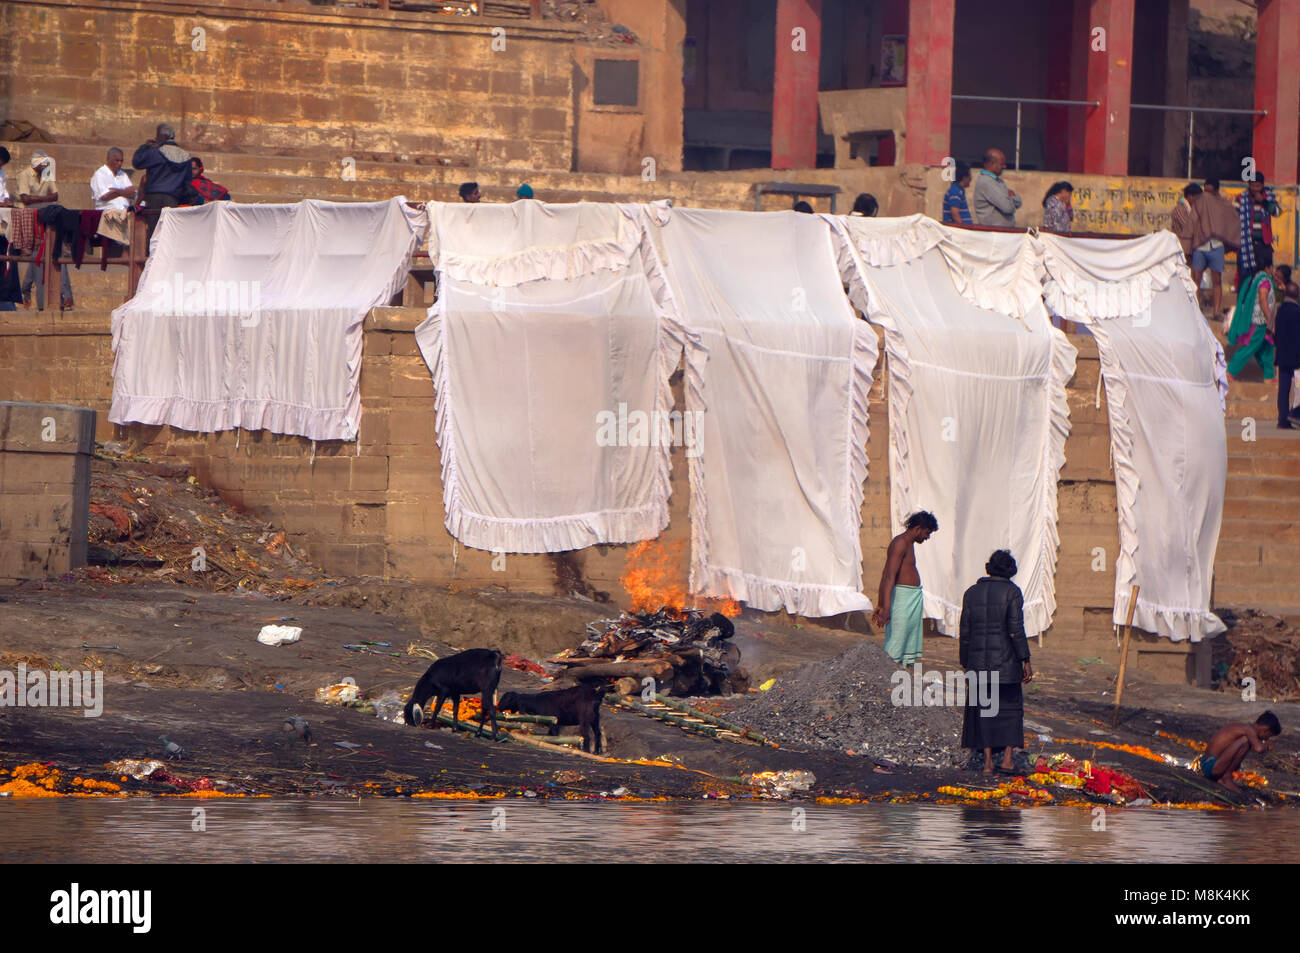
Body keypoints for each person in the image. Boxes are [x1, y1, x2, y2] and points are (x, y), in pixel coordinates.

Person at [959, 550, 1032, 774]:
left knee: (984, 710)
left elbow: (965, 632)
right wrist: (1025, 659)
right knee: (1010, 710)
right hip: (1007, 663)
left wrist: (965, 661)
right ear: (1010, 571)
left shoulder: (971, 593)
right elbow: (1015, 630)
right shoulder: (1012, 592)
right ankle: (1007, 759)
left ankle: (988, 762)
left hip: (978, 662)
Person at [872, 511, 937, 667]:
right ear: (918, 529)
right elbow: (888, 576)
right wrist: (885, 607)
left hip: (911, 599)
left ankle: (901, 680)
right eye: (927, 533)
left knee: (906, 643)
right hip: (902, 600)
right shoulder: (900, 543)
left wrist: (882, 603)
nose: (927, 537)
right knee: (896, 640)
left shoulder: (908, 543)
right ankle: (888, 678)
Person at [15, 150, 72, 311]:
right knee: (40, 256)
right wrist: (44, 200)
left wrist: (39, 200)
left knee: (43, 255)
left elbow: (55, 195)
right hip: (28, 212)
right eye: (42, 163)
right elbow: (25, 199)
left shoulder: (47, 173)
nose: (45, 165)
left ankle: (28, 291)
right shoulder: (24, 174)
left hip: (46, 213)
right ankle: (33, 292)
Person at [1197, 712, 1281, 793]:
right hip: (1210, 766)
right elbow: (1258, 748)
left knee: (1246, 743)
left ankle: (1225, 778)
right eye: (1268, 736)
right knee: (1245, 741)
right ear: (1265, 730)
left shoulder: (1246, 729)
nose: (1266, 739)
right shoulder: (1248, 730)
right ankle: (1226, 778)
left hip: (1211, 765)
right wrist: (1266, 745)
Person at [1226, 250, 1278, 380]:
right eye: (1272, 267)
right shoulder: (1265, 280)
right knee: (1250, 348)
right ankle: (1230, 371)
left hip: (1258, 320)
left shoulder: (1254, 277)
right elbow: (1263, 299)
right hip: (1260, 321)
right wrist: (1270, 320)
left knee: (1267, 348)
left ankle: (1269, 376)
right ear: (1267, 267)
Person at [131, 123, 192, 210]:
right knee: (168, 223)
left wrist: (146, 146)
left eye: (157, 136)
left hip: (153, 197)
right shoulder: (186, 156)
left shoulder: (155, 152)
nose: (155, 138)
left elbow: (137, 162)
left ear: (163, 136)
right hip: (173, 199)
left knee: (154, 223)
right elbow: (187, 182)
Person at [1236, 173, 1281, 283]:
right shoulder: (1241, 198)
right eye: (1253, 186)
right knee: (1246, 278)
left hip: (1264, 244)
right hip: (1247, 244)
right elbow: (1233, 218)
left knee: (1265, 276)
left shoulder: (1269, 197)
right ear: (1249, 185)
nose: (1255, 189)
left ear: (1262, 185)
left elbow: (1277, 212)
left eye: (1258, 186)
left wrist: (1263, 202)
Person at [972, 148, 1021, 227]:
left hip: (1003, 233)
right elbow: (1007, 208)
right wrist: (1010, 198)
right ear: (991, 164)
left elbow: (1019, 202)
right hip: (994, 233)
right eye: (1001, 164)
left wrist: (1011, 198)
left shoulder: (998, 181)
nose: (1004, 166)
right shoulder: (986, 182)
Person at [1274, 281, 1300, 429]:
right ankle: (1295, 414)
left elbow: (1274, 331)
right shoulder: (1297, 312)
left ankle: (1282, 419)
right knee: (1298, 389)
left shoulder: (1279, 309)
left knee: (1283, 390)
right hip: (1296, 357)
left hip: (1282, 355)